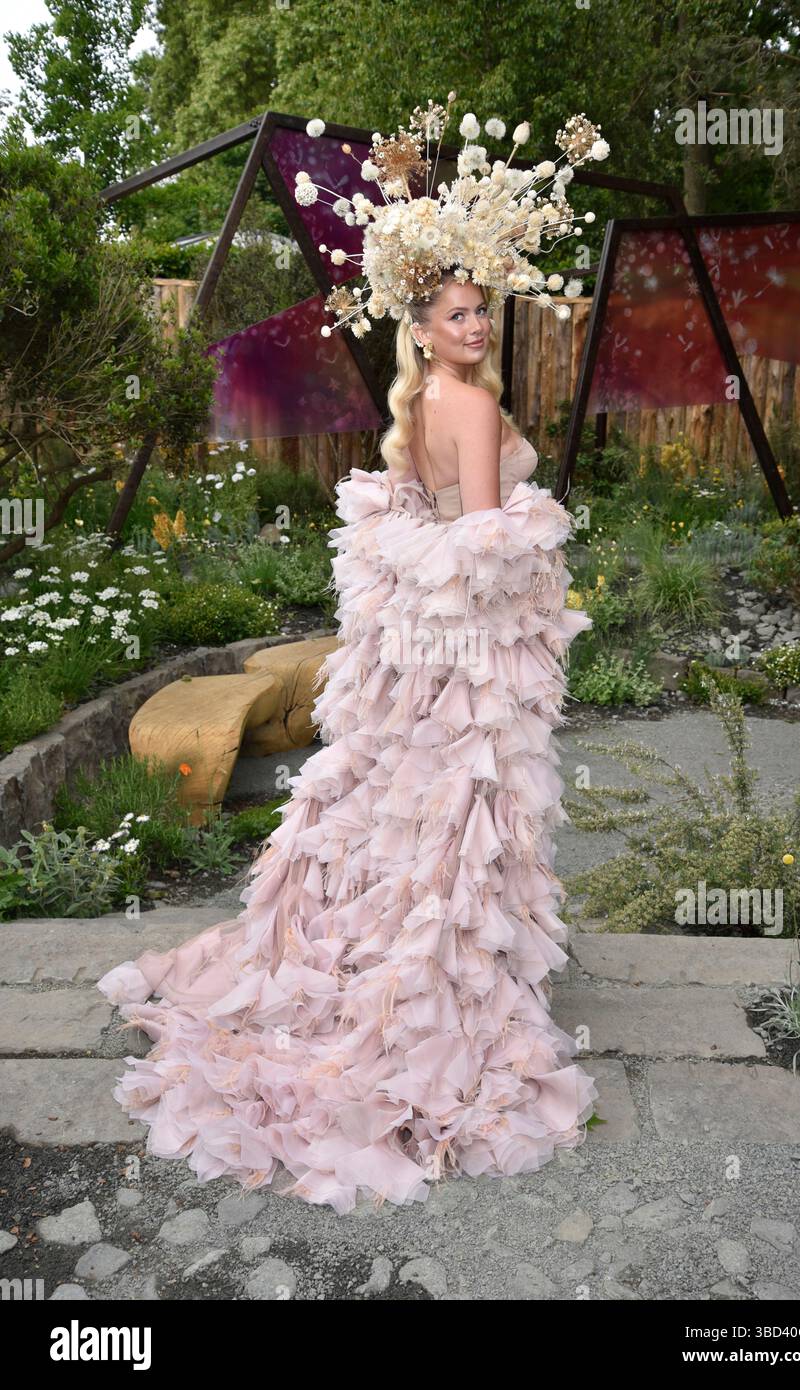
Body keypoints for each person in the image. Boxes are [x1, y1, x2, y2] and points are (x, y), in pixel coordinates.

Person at [96, 96, 605, 1215]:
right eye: (460, 314)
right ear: (422, 326)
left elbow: (417, 528)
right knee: (460, 805)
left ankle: (372, 952)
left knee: (404, 804)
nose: (477, 326)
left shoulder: (421, 407)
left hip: (414, 644)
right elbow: (477, 543)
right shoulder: (468, 410)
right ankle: (440, 984)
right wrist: (532, 566)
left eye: (484, 310)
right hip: (465, 650)